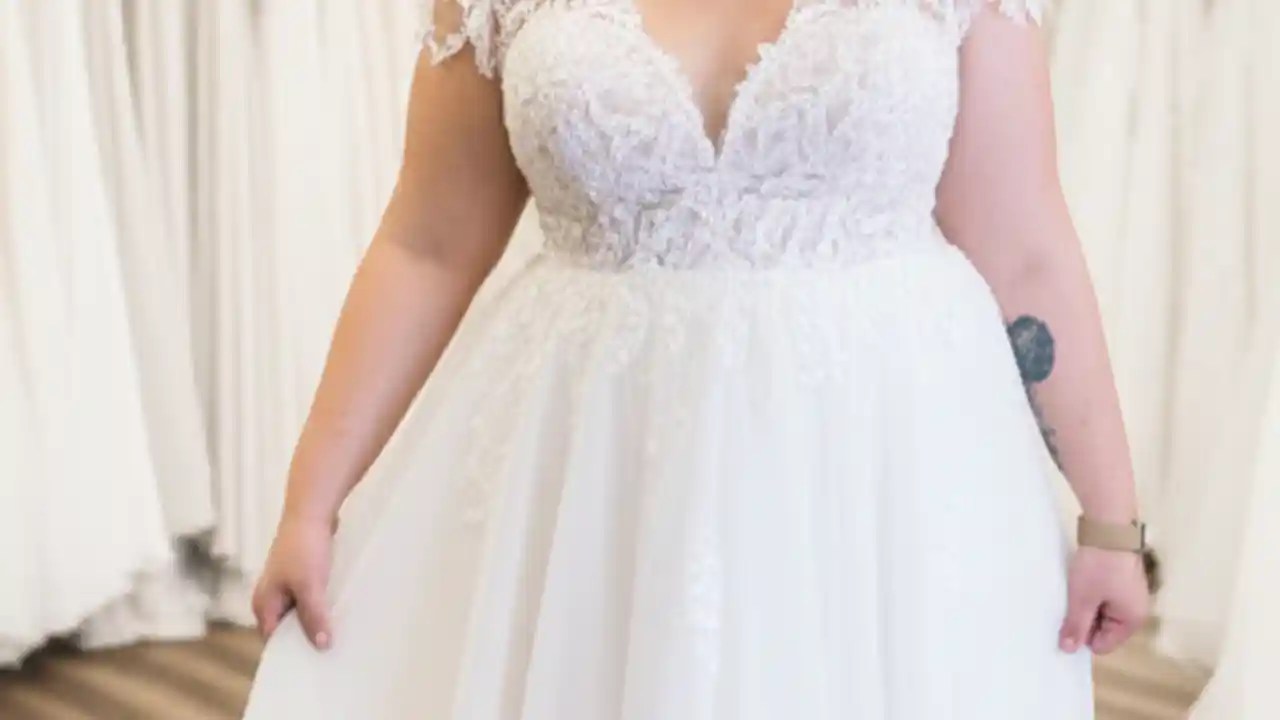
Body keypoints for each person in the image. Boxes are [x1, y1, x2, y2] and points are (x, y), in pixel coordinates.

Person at [243, 1, 1151, 717]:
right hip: (595, 476)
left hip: (884, 481)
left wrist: (1112, 519)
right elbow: (427, 245)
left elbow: (1025, 245)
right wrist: (310, 503)